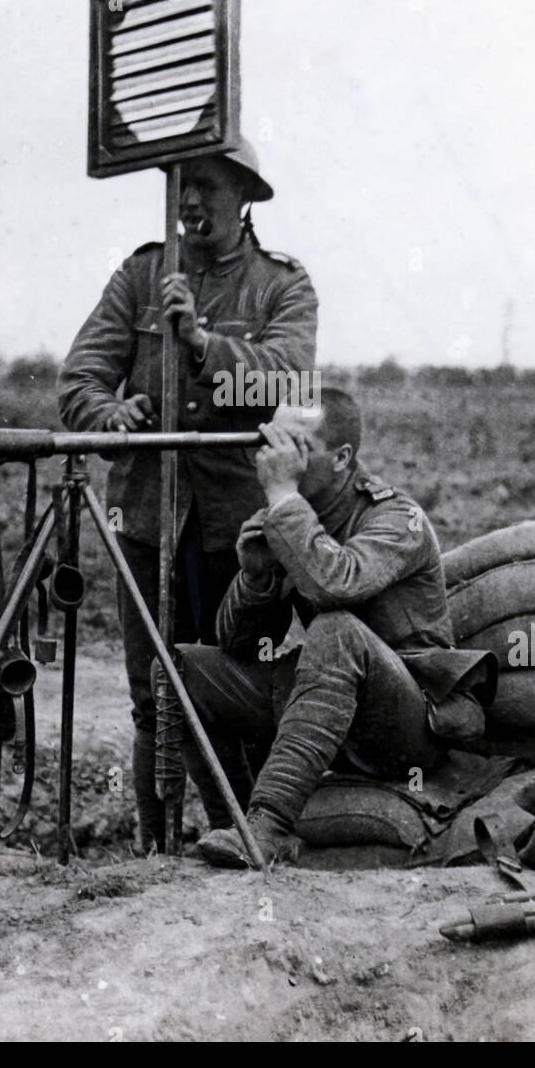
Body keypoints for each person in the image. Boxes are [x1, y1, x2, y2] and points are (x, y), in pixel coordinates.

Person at [57, 139, 318, 851]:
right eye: (180, 187)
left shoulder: (280, 286)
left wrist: (202, 345)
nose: (191, 201)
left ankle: (250, 838)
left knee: (242, 688)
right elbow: (78, 381)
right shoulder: (141, 275)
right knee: (154, 697)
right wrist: (110, 417)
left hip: (243, 535)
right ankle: (154, 856)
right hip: (148, 522)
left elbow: (287, 382)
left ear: (244, 197)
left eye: (205, 185)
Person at [175, 389, 495, 868]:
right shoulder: (298, 514)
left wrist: (284, 502)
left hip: (408, 718)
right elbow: (239, 645)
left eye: (296, 446)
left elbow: (336, 585)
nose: (280, 461)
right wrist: (256, 579)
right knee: (184, 669)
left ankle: (269, 827)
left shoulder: (396, 517)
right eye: (274, 443)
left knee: (335, 629)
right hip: (328, 699)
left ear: (343, 457)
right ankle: (236, 821)